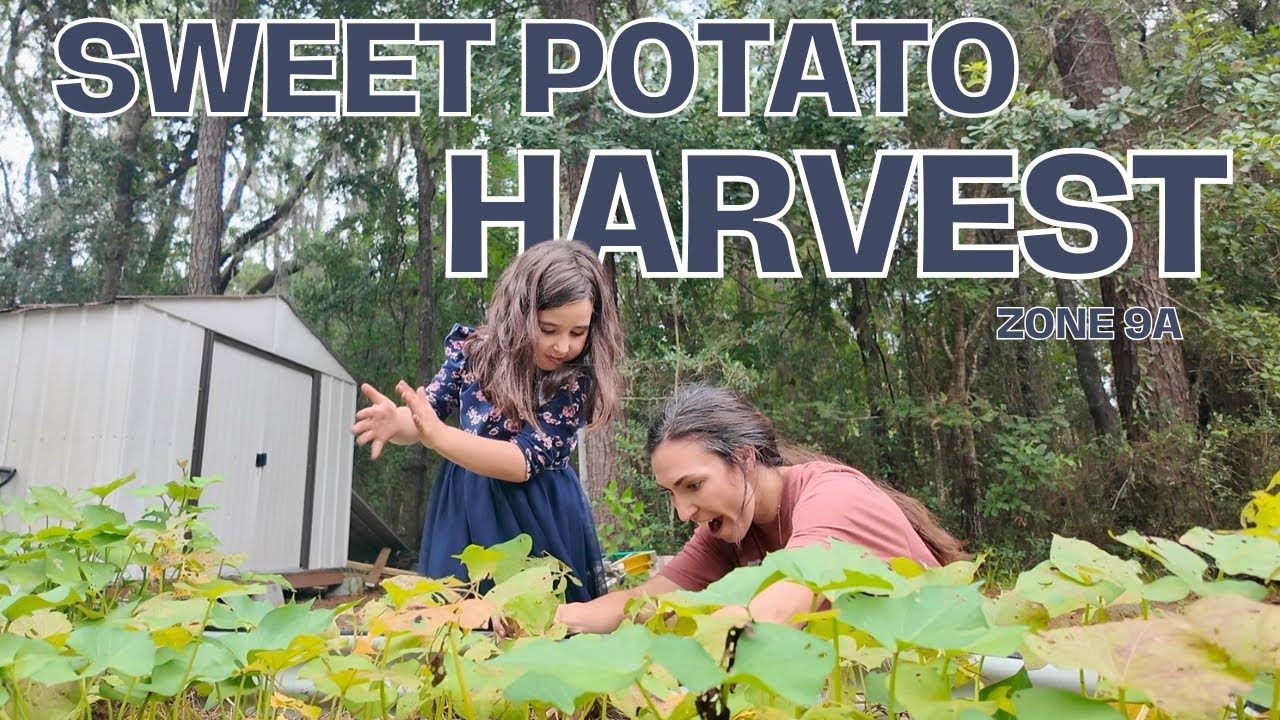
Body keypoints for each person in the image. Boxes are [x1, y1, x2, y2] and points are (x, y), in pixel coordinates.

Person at [554, 383, 970, 633]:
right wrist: (546, 619)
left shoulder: (832, 497)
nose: (683, 511)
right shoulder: (731, 526)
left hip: (943, 671)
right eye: (671, 493)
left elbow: (778, 609)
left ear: (745, 458)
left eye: (693, 485)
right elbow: (646, 599)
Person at [352, 239, 624, 603]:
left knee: (536, 614)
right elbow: (426, 413)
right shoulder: (474, 355)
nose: (562, 346)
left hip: (537, 508)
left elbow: (523, 461)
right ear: (519, 313)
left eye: (577, 333)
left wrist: (441, 438)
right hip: (466, 506)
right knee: (460, 610)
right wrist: (396, 422)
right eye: (548, 329)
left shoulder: (575, 382)